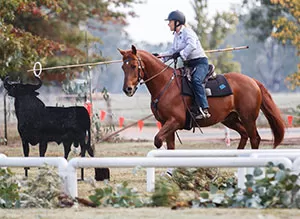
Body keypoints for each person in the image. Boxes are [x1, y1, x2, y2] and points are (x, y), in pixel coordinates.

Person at [155, 10, 210, 119]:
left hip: (200, 63)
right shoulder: (176, 35)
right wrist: (158, 57)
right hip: (188, 64)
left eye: (170, 21)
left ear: (177, 22)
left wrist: (181, 54)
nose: (168, 24)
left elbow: (192, 45)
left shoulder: (187, 32)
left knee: (196, 80)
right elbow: (172, 51)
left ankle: (204, 109)